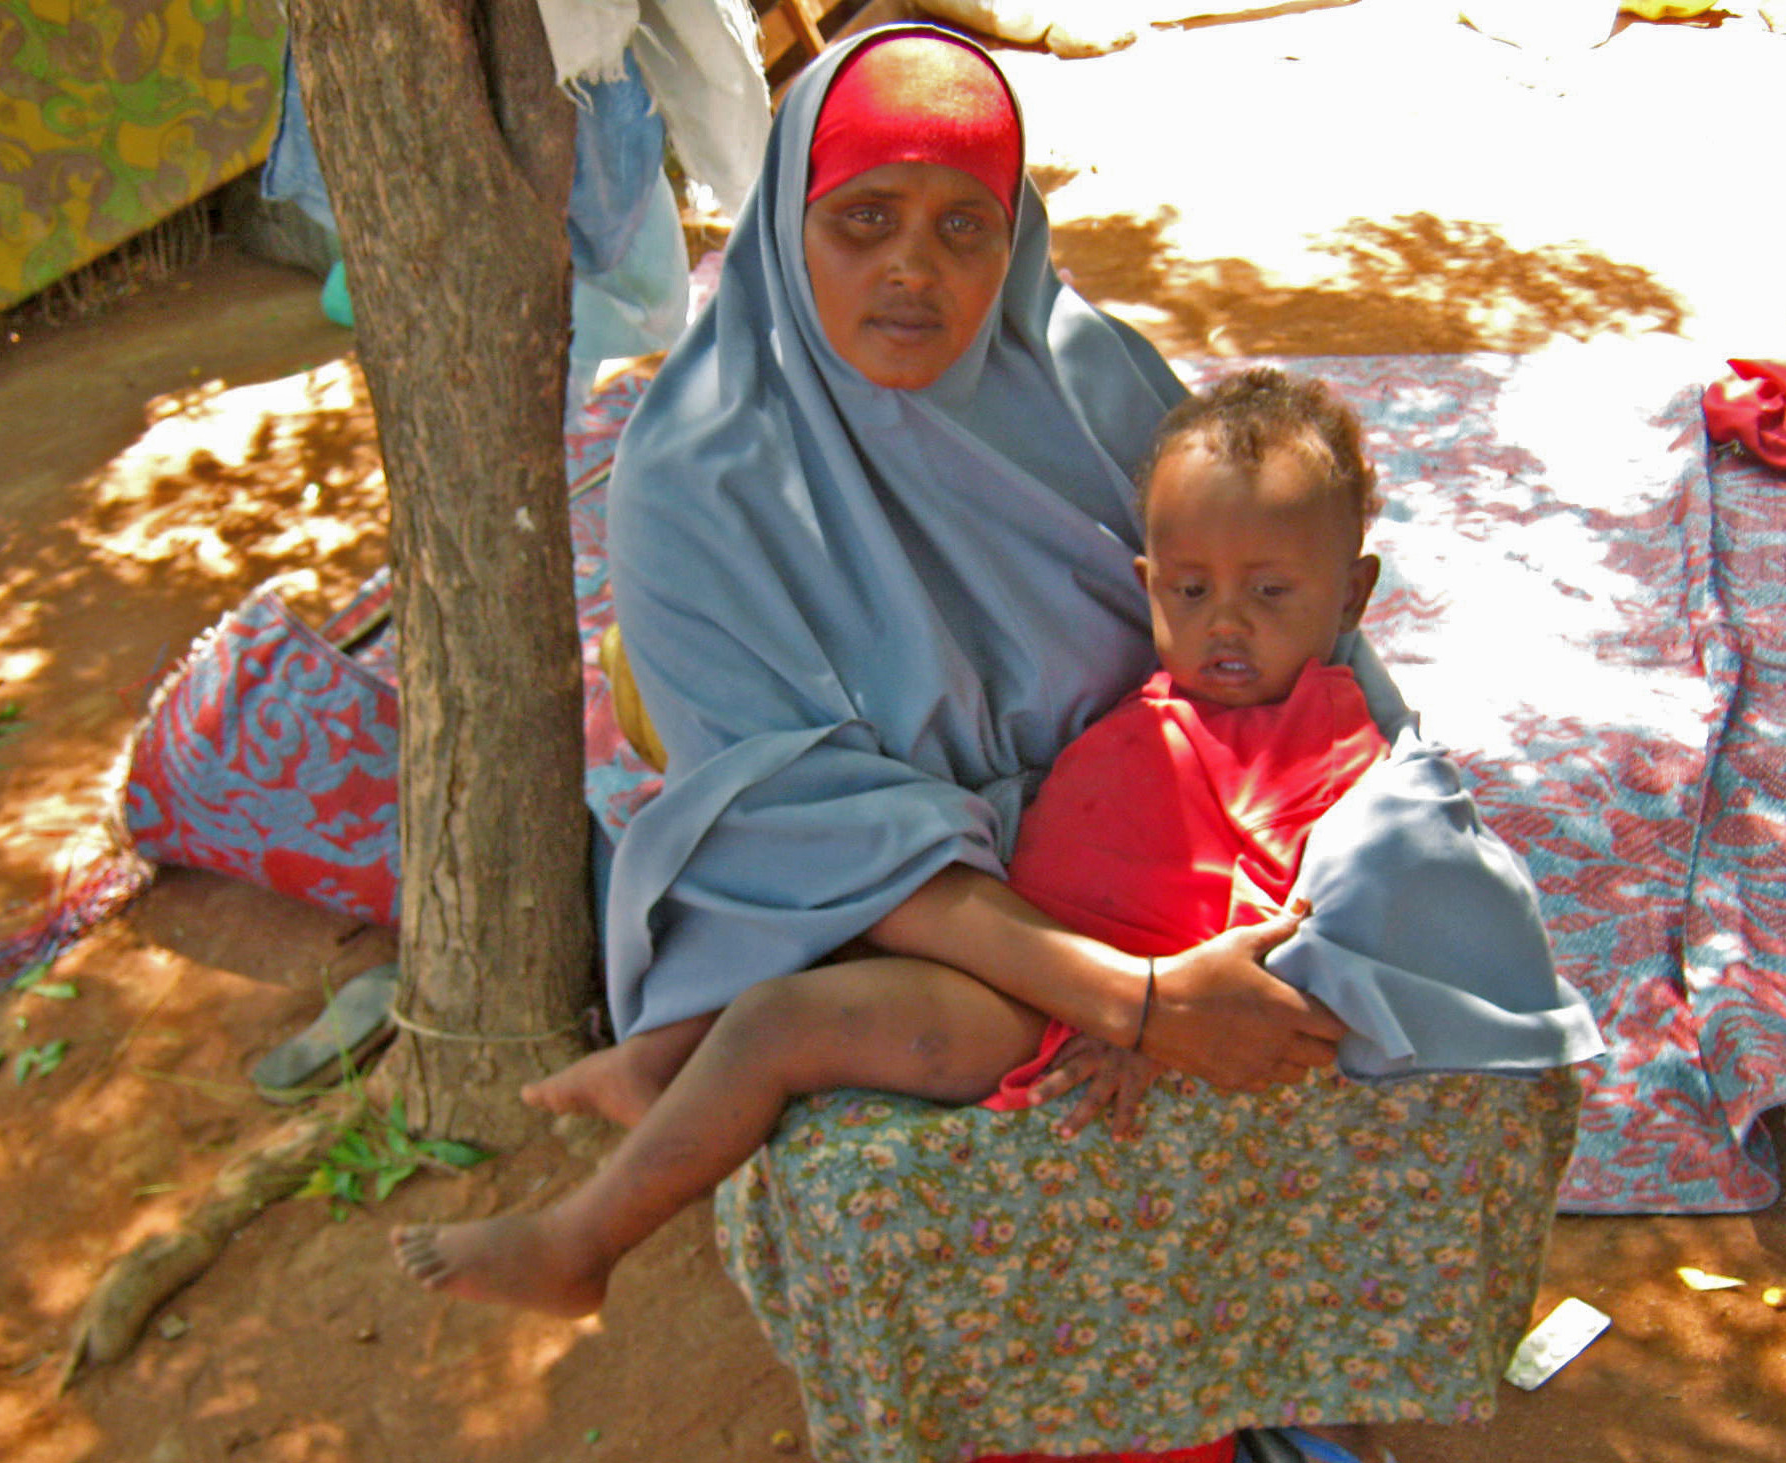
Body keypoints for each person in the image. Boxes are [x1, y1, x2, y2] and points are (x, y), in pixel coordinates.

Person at [395, 24, 1597, 1459]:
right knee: (853, 1084)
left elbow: (1300, 647)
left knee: (1431, 991)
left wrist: (1364, 867)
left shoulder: (1088, 381)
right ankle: (684, 1128)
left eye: (965, 225)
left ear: (1016, 232)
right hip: (868, 896)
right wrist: (1133, 996)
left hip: (1153, 850)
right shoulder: (700, 467)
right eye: (863, 222)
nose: (915, 268)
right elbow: (811, 826)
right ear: (789, 225)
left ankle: (1241, 1364)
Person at [392, 365, 1388, 1314]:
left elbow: (1281, 913)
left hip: (1049, 1013)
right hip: (1038, 946)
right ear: (1145, 581)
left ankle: (579, 1246)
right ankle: (660, 1060)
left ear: (1348, 595)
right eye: (1189, 590)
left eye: (1268, 594)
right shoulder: (1174, 688)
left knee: (780, 1022)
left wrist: (1143, 1033)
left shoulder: (1313, 732)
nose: (1224, 624)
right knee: (818, 903)